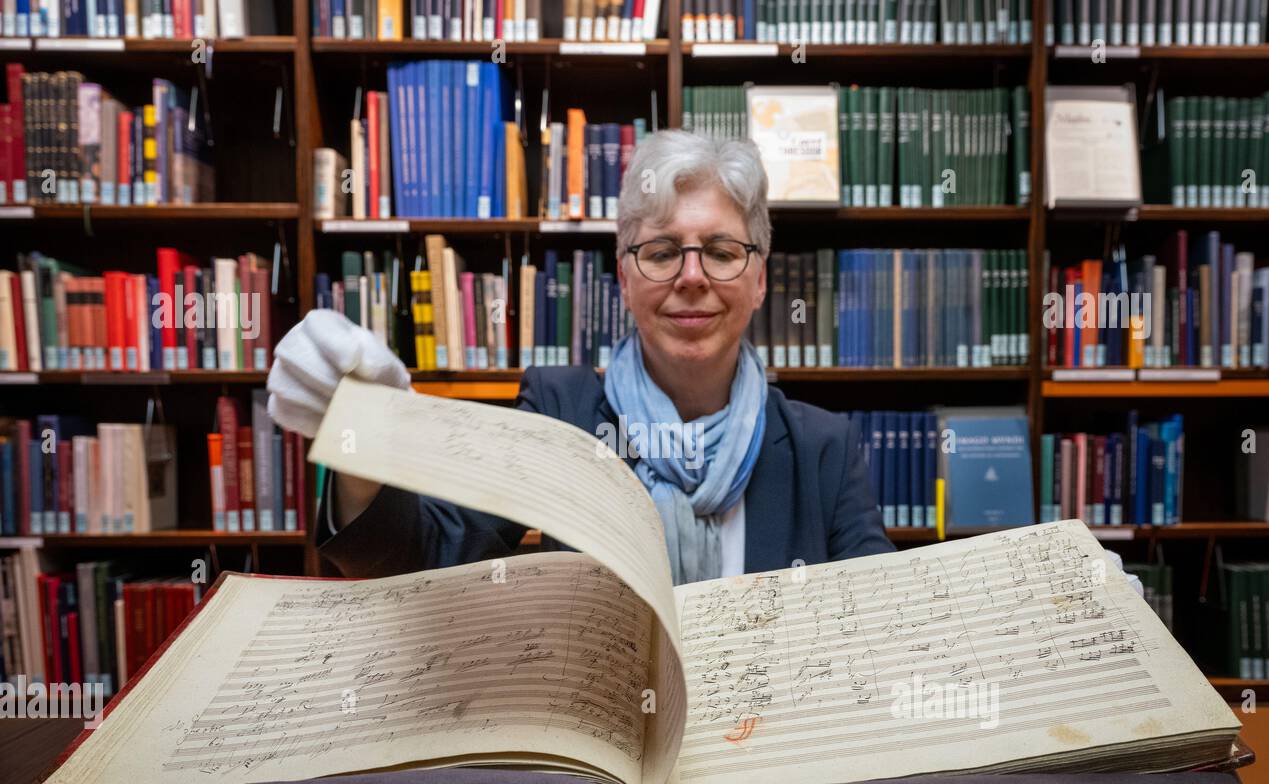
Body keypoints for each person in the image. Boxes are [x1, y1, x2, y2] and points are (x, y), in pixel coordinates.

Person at [267, 129, 1140, 595]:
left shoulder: (826, 447)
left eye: (721, 250)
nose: (692, 279)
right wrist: (363, 445)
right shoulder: (558, 410)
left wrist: (1047, 602)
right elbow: (427, 562)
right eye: (662, 251)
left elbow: (889, 613)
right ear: (625, 275)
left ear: (759, 279)